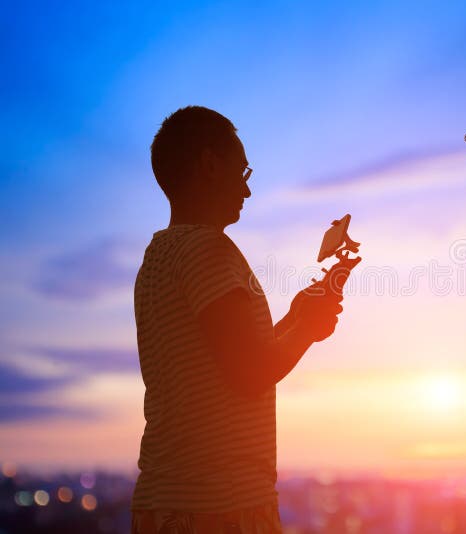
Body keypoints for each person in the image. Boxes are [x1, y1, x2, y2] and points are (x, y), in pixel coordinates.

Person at [129, 105, 343, 534]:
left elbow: (227, 358)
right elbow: (250, 374)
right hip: (222, 506)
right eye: (243, 173)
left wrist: (296, 317)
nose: (247, 192)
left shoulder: (158, 258)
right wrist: (308, 329)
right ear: (210, 165)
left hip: (165, 505)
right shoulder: (209, 250)